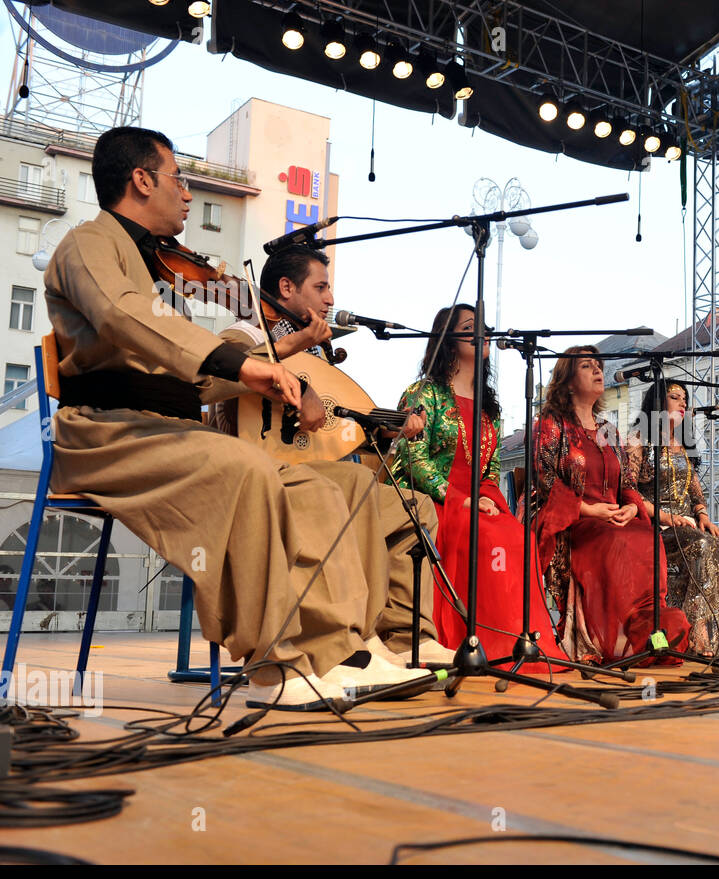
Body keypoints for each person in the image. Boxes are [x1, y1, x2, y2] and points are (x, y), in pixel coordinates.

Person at [42, 125, 424, 709]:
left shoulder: (154, 269)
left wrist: (276, 359)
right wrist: (244, 367)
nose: (189, 194)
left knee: (325, 486)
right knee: (247, 468)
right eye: (179, 179)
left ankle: (343, 646)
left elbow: (188, 378)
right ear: (141, 180)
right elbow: (123, 320)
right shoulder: (87, 243)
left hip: (163, 425)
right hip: (104, 429)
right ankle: (276, 665)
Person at [207, 244, 441, 662]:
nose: (331, 299)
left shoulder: (318, 356)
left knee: (415, 508)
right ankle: (356, 640)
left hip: (320, 473)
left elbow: (335, 433)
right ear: (286, 287)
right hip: (265, 478)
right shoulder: (246, 334)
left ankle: (409, 640)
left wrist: (385, 432)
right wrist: (289, 364)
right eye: (321, 287)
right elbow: (212, 377)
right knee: (355, 489)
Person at [392, 303, 564, 671]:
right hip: (433, 499)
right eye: (471, 326)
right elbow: (413, 460)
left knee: (518, 537)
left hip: (478, 499)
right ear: (448, 340)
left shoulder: (491, 408)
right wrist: (461, 500)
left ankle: (518, 642)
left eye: (484, 326)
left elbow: (492, 469)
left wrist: (485, 499)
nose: (482, 332)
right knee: (486, 539)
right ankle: (475, 641)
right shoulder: (422, 393)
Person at [532, 346, 690, 664]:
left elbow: (626, 486)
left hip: (612, 515)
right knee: (617, 540)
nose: (598, 371)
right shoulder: (551, 424)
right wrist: (588, 510)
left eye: (599, 365)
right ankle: (615, 638)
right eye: (587, 366)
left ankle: (646, 630)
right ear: (567, 379)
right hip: (572, 518)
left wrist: (632, 508)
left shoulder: (606, 430)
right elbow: (545, 482)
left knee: (646, 536)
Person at [625, 381, 719, 657]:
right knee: (702, 550)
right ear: (657, 402)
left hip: (686, 525)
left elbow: (694, 489)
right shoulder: (638, 440)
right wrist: (667, 516)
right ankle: (696, 633)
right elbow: (628, 491)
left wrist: (703, 515)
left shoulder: (683, 443)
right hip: (653, 526)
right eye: (674, 397)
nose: (683, 403)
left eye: (685, 399)